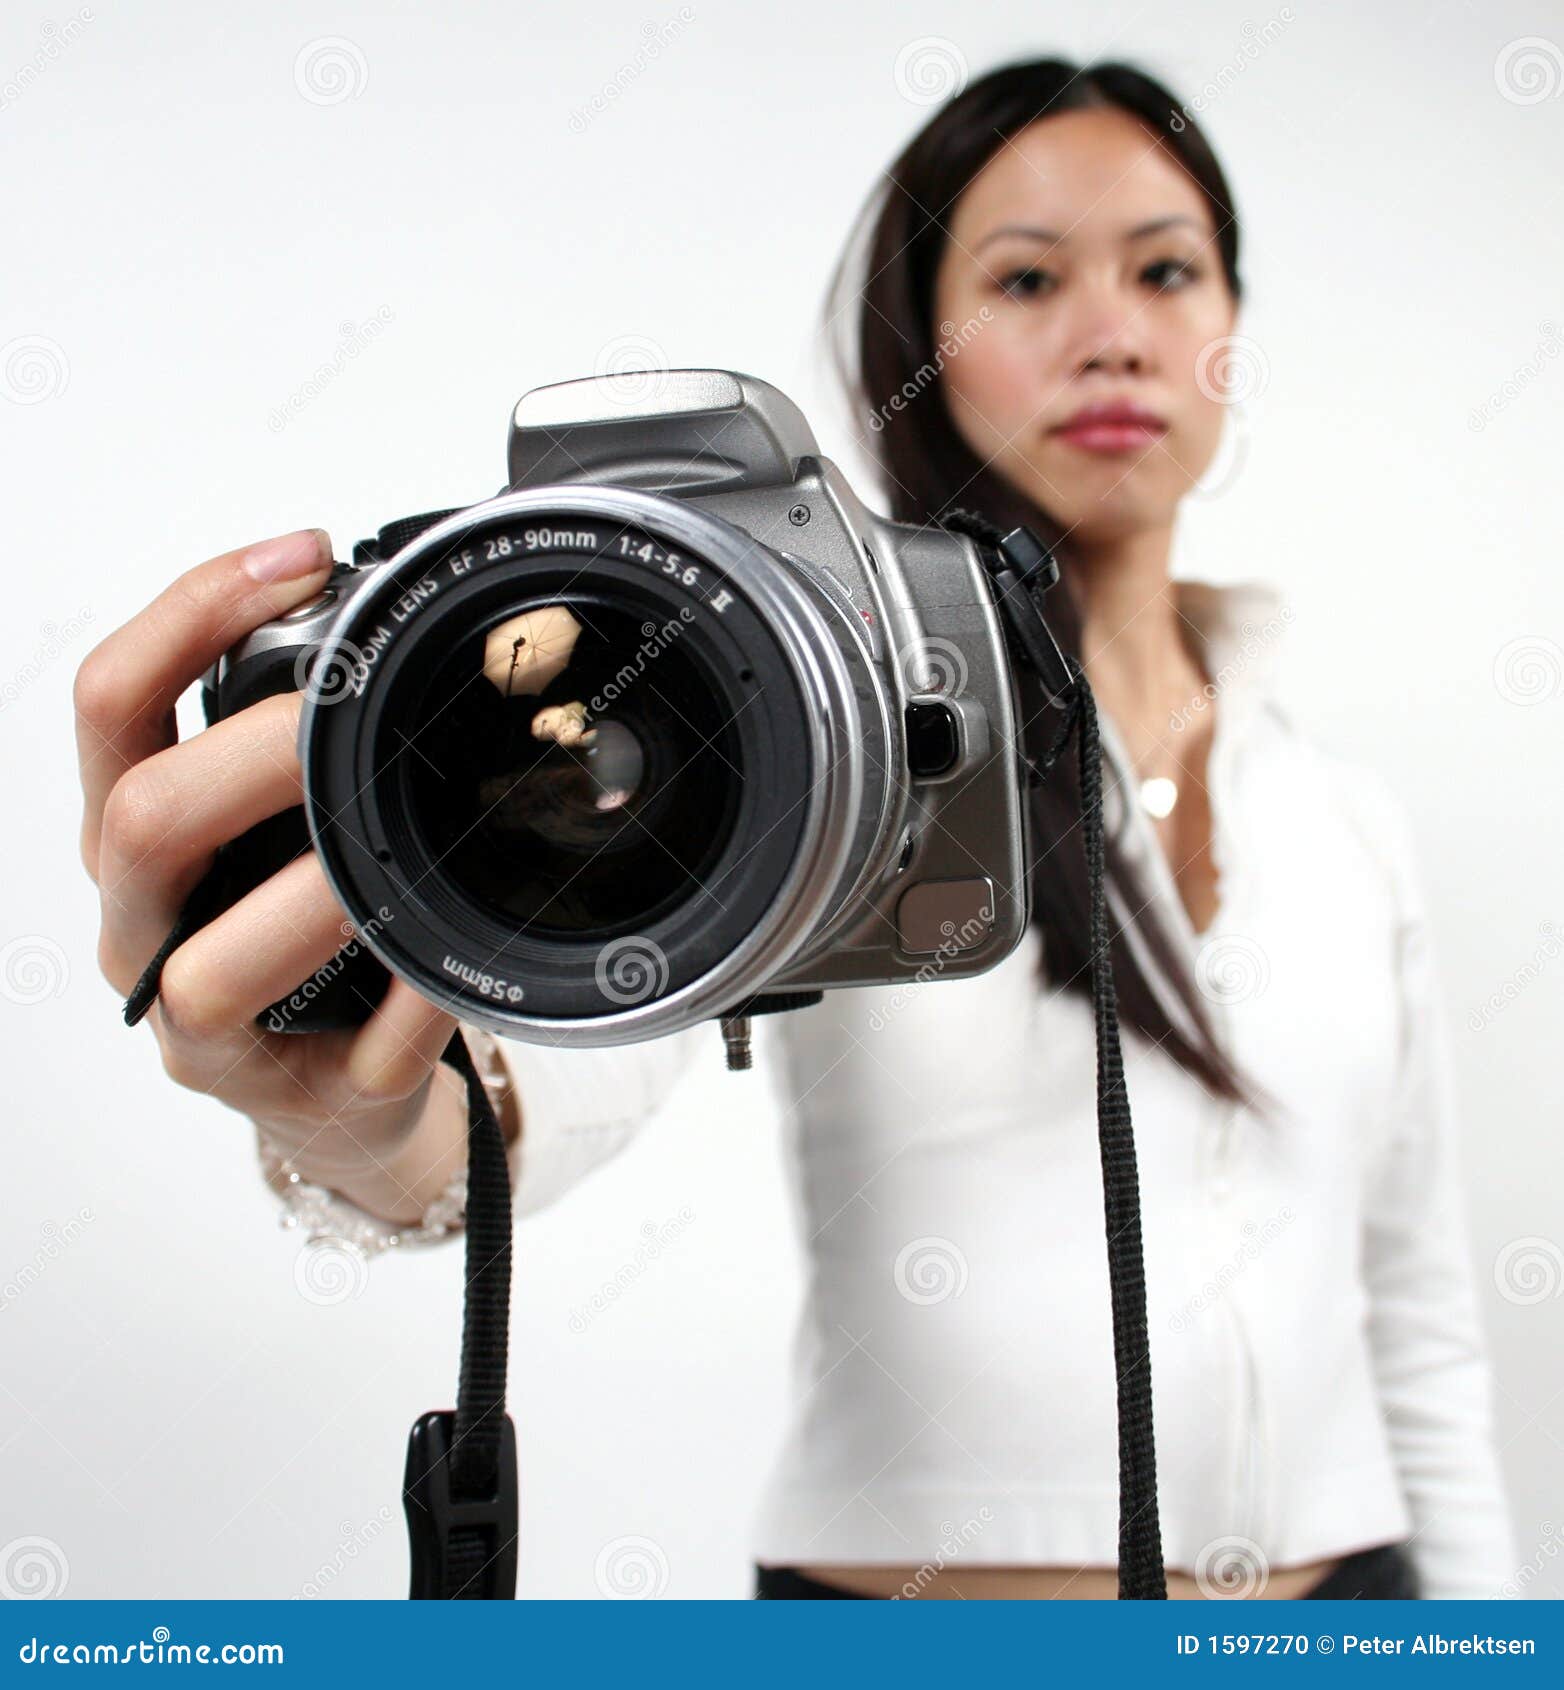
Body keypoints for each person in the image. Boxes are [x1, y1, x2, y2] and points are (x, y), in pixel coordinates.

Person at [73, 56, 1517, 1600]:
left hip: (1351, 1607)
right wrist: (340, 1115)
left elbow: (1417, 1314)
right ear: (926, 346)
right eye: (1024, 279)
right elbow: (538, 1090)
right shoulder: (787, 718)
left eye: (1167, 270)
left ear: (1230, 326)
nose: (1112, 334)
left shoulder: (1344, 818)